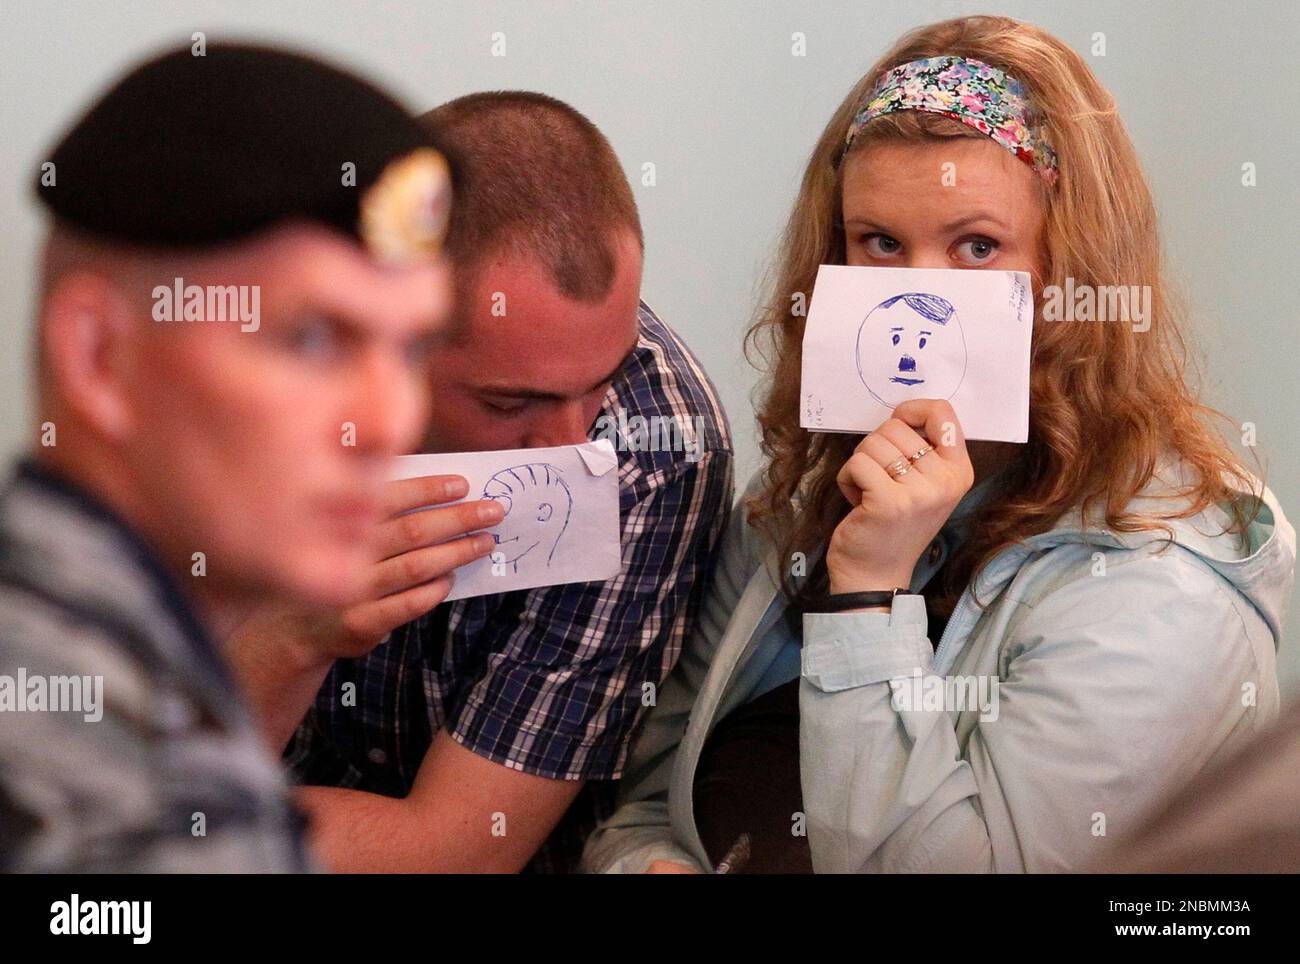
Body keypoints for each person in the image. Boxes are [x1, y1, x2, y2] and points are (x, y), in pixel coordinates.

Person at [583, 15, 1294, 874]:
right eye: (880, 243)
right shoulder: (799, 500)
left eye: (977, 247)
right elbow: (645, 808)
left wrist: (868, 599)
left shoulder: (1158, 593)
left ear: (1073, 277)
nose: (918, 298)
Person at [0, 43, 491, 871]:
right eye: (311, 338)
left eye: (408, 351)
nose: (389, 422)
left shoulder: (110, 668)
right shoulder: (118, 792)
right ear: (98, 358)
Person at [234, 92, 734, 872]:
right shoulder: (269, 375)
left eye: (600, 379)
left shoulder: (654, 448)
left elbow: (459, 853)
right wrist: (294, 637)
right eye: (511, 402)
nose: (574, 448)